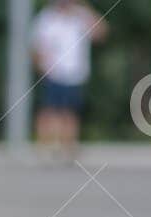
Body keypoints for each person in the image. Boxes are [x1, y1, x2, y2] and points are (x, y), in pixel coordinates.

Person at [30, 0, 107, 157]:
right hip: (53, 73)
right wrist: (42, 68)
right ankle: (46, 148)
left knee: (70, 112)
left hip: (75, 74)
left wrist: (85, 9)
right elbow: (36, 46)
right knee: (50, 111)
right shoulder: (45, 18)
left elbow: (101, 33)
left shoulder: (80, 16)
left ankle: (67, 149)